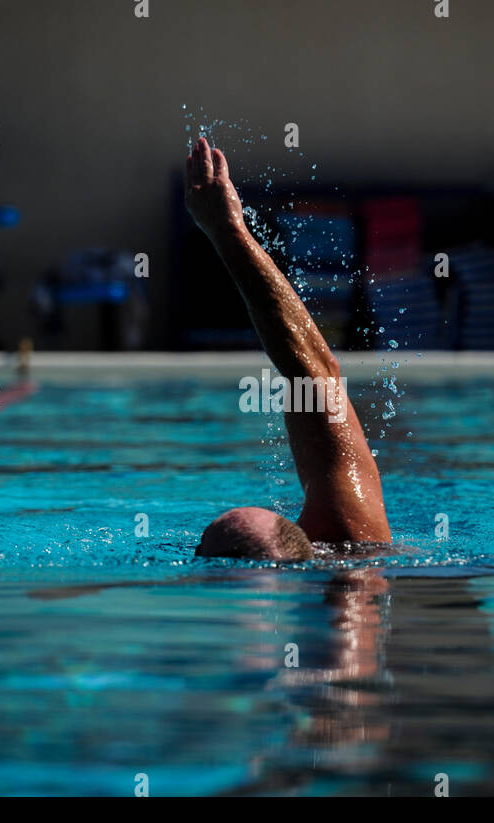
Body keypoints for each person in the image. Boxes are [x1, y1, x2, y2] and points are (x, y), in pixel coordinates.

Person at [185, 137, 391, 561]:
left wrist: (228, 233)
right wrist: (228, 229)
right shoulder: (354, 536)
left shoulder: (344, 603)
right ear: (302, 533)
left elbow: (313, 372)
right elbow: (316, 373)